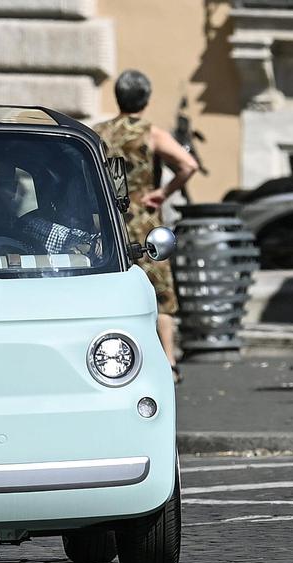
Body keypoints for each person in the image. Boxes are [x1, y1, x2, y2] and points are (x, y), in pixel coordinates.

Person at [94, 69, 199, 383]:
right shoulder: (150, 132)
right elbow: (188, 164)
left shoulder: (98, 132)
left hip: (108, 221)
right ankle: (168, 362)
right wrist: (162, 193)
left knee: (111, 287)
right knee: (160, 292)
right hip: (143, 219)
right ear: (147, 99)